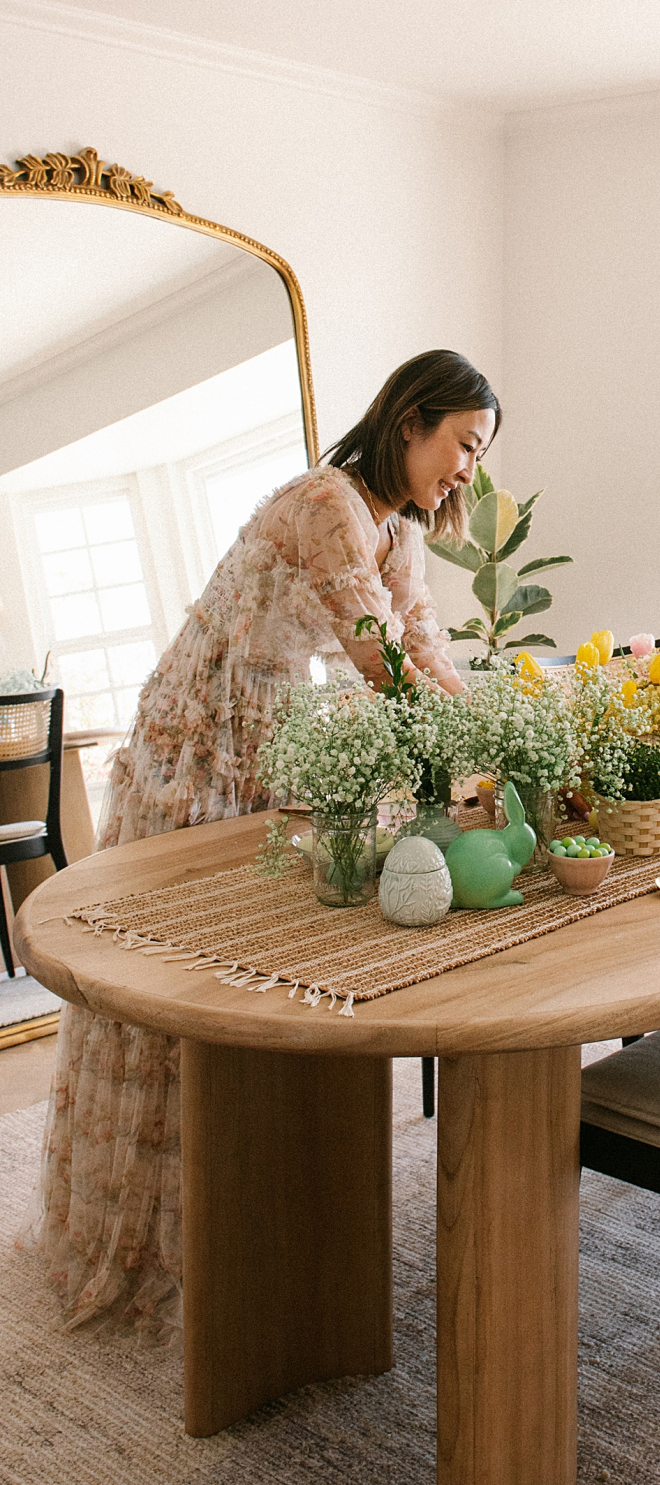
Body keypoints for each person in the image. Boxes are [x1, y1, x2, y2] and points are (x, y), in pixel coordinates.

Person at [21, 350, 499, 1340]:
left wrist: (498, 745)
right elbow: (380, 662)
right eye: (463, 443)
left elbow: (425, 650)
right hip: (201, 748)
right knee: (173, 984)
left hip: (269, 749)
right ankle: (153, 1237)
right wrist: (479, 763)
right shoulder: (326, 502)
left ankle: (253, 1220)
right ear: (411, 419)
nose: (467, 469)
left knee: (251, 976)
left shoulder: (398, 531)